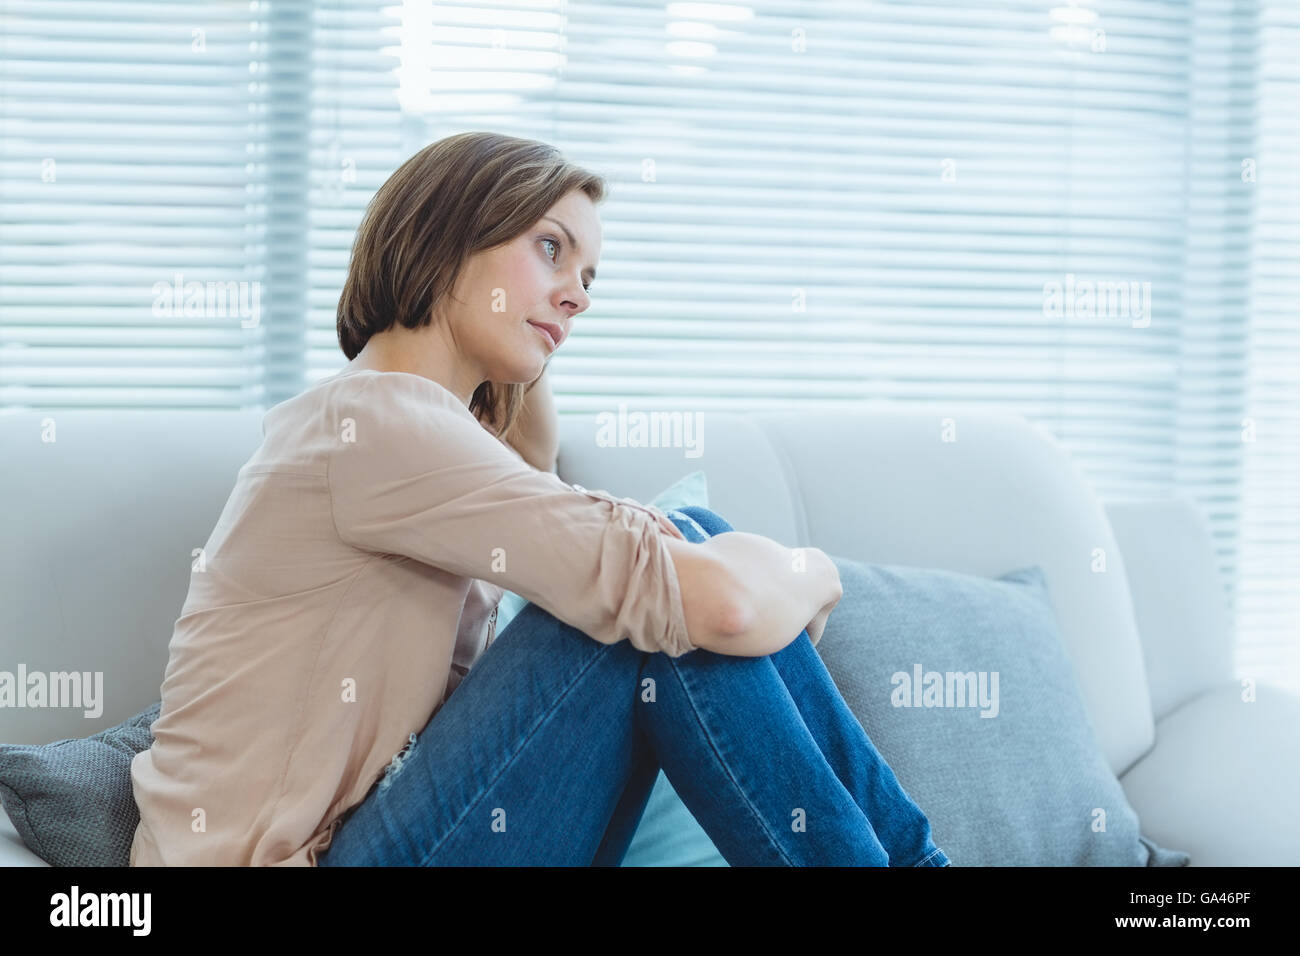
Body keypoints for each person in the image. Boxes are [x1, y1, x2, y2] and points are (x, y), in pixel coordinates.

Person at [130, 130, 949, 867]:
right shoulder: (375, 421)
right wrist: (809, 568)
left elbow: (533, 470)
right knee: (665, 584)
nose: (578, 295)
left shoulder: (406, 433)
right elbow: (725, 607)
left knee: (667, 560)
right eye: (550, 249)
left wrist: (518, 346)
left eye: (588, 278)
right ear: (447, 235)